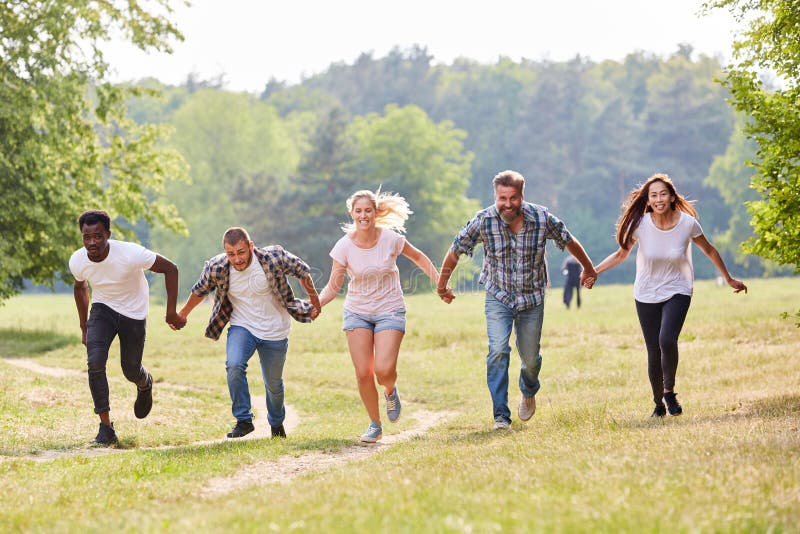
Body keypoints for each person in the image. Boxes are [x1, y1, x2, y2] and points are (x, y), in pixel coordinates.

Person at [437, 170, 597, 430]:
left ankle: (529, 389)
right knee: (498, 350)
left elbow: (568, 240)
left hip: (531, 298)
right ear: (495, 196)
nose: (508, 204)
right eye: (502, 198)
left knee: (531, 358)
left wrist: (588, 269)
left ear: (522, 196)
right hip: (498, 296)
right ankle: (501, 416)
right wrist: (442, 284)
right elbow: (456, 249)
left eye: (513, 198)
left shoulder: (542, 218)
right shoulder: (484, 220)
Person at [593, 173, 747, 417]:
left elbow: (709, 249)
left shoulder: (687, 223)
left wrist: (728, 278)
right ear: (648, 199)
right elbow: (621, 254)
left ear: (672, 197)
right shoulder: (640, 224)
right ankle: (658, 404)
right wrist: (594, 271)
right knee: (653, 350)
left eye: (663, 194)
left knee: (667, 340)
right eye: (653, 195)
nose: (658, 199)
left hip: (679, 288)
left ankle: (669, 392)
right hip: (646, 292)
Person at [318, 189, 451, 443]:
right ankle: (375, 424)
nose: (363, 215)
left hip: (390, 308)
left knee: (384, 369)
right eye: (358, 211)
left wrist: (440, 284)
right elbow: (333, 286)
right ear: (352, 213)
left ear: (376, 213)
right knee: (363, 373)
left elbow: (419, 257)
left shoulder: (390, 239)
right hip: (357, 312)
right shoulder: (343, 246)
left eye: (368, 210)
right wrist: (316, 304)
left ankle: (390, 391)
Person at [177, 227, 321, 439]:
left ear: (251, 246)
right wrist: (183, 314)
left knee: (273, 384)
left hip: (275, 329)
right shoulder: (218, 266)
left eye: (241, 252)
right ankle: (243, 420)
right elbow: (199, 290)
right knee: (234, 365)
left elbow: (303, 271)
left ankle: (276, 423)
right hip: (242, 325)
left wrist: (314, 301)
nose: (237, 259)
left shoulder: (273, 257)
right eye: (231, 254)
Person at [69, 210, 186, 446]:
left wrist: (171, 312)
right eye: (86, 237)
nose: (92, 242)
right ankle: (106, 428)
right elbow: (80, 288)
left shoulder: (130, 253)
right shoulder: (77, 260)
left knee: (130, 369)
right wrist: (84, 326)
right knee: (94, 362)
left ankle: (145, 384)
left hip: (134, 312)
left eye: (98, 236)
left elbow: (170, 268)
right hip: (103, 309)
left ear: (108, 234)